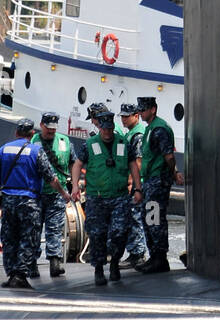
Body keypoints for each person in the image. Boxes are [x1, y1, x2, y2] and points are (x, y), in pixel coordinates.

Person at [0, 119, 71, 290]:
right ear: (32, 134)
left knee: (9, 238)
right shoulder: (36, 151)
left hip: (8, 200)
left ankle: (11, 274)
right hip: (29, 201)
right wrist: (63, 193)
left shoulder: (4, 149)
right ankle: (20, 274)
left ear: (16, 132)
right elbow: (51, 177)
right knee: (29, 238)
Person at [71, 111, 140, 286]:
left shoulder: (123, 143)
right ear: (100, 127)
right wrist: (75, 186)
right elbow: (78, 164)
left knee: (120, 231)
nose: (108, 132)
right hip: (97, 197)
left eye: (110, 128)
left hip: (119, 196)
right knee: (97, 234)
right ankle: (99, 268)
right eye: (104, 128)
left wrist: (137, 187)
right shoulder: (89, 145)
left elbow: (133, 164)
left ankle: (115, 261)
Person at [139, 97, 184, 274]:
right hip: (151, 180)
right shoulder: (151, 128)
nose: (141, 112)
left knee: (154, 218)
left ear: (153, 109)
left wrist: (173, 174)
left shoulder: (158, 129)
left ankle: (159, 258)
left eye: (144, 109)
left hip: (157, 181)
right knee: (149, 217)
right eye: (140, 109)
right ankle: (155, 256)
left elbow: (169, 156)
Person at [33, 112, 75, 278]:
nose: (51, 132)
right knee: (34, 228)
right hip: (37, 193)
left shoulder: (65, 141)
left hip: (57, 193)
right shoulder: (33, 142)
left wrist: (74, 184)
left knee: (54, 228)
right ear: (42, 125)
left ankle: (55, 261)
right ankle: (31, 263)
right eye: (48, 128)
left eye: (53, 129)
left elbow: (73, 162)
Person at [119, 101, 152, 271]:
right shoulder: (132, 133)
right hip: (134, 182)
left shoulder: (137, 135)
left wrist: (133, 184)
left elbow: (138, 162)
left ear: (136, 116)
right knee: (133, 217)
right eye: (122, 116)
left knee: (135, 217)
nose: (123, 119)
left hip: (136, 184)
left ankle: (138, 253)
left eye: (127, 116)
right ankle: (135, 252)